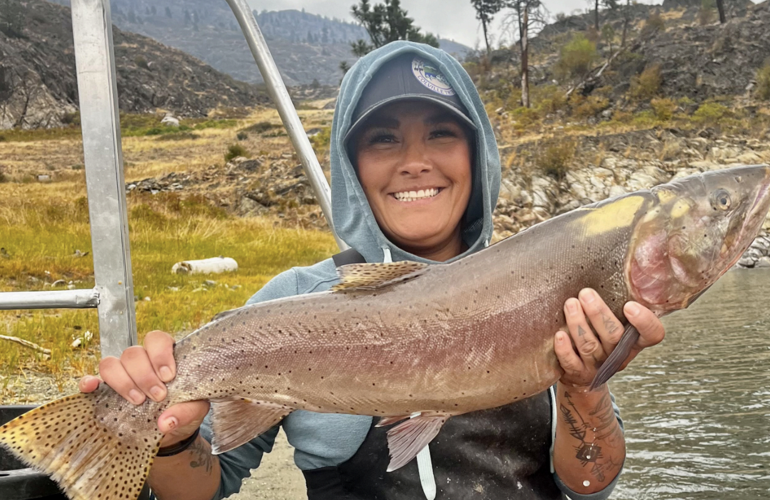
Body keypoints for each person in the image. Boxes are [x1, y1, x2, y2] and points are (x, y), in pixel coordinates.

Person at [80, 41, 665, 500]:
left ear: (476, 154)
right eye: (384, 140)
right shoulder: (296, 299)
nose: (414, 162)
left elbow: (590, 488)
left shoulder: (546, 286)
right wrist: (174, 439)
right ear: (352, 167)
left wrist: (586, 391)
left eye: (441, 133)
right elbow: (201, 489)